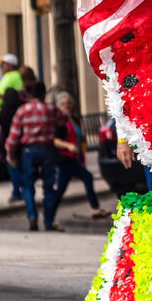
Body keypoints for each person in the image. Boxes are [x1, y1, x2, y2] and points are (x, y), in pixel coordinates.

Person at [5, 81, 65, 232]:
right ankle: (48, 220)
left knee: (27, 185)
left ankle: (32, 217)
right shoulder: (52, 109)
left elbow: (14, 136)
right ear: (44, 93)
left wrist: (9, 154)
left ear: (31, 94)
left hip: (29, 151)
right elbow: (62, 122)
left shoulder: (23, 110)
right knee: (49, 185)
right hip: (47, 150)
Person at [51, 91, 109, 219]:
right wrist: (68, 146)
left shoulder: (75, 120)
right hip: (64, 157)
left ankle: (49, 216)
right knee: (87, 177)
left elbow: (80, 137)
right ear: (58, 106)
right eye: (62, 104)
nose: (66, 106)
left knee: (60, 189)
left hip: (74, 158)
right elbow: (54, 140)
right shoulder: (58, 122)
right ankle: (95, 208)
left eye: (68, 103)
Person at [0, 53, 21, 122]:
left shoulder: (15, 76)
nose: (1, 66)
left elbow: (17, 96)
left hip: (4, 116)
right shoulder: (6, 76)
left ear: (10, 65)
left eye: (4, 64)